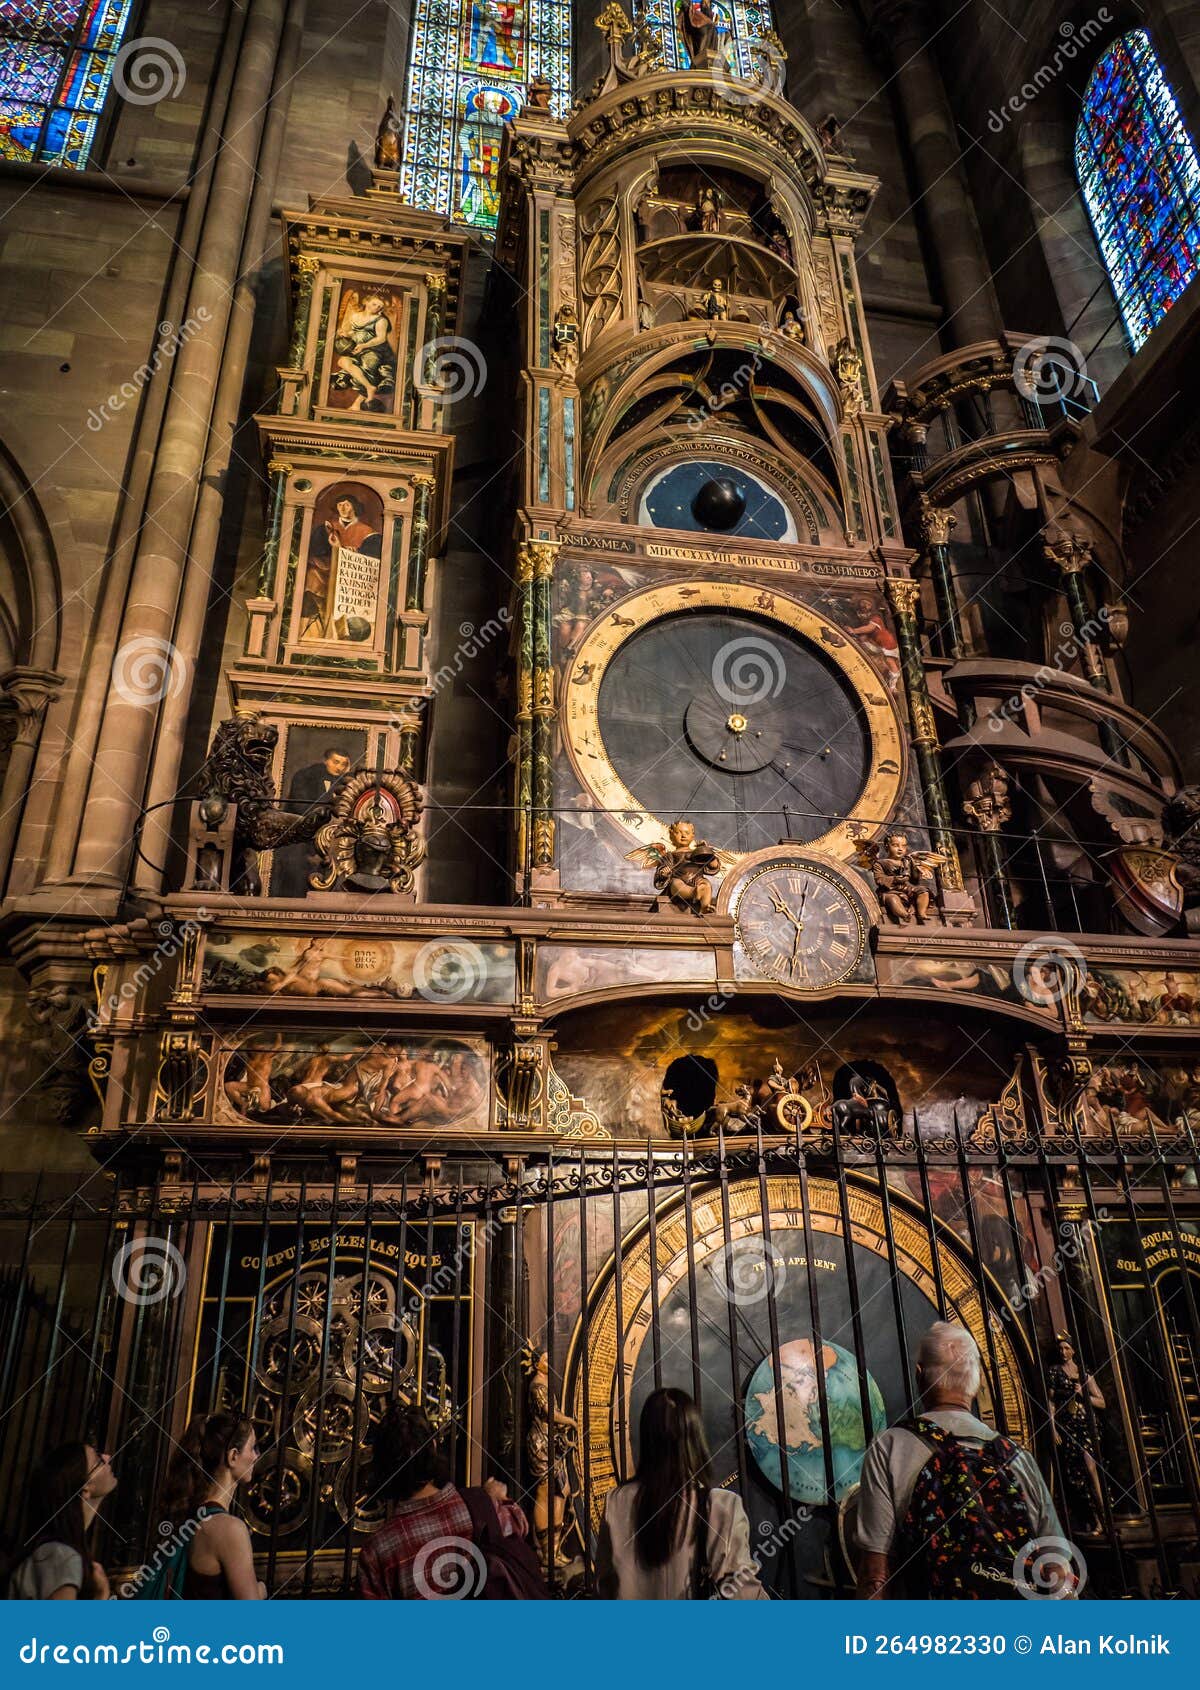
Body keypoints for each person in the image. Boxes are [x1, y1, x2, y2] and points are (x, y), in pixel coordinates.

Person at [855, 1322, 1064, 1599]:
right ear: (976, 1384)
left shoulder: (889, 1446)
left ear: (919, 1375)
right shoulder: (1018, 1457)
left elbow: (875, 1574)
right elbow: (1057, 1568)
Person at [596, 1388, 764, 1599]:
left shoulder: (616, 1502)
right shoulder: (721, 1507)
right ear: (695, 1437)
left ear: (646, 1437)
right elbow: (744, 1596)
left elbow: (604, 1589)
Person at [357, 1403, 531, 1599]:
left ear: (382, 1467)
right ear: (433, 1447)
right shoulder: (478, 1508)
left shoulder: (377, 1551)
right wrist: (497, 1498)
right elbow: (520, 1523)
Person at [161, 1412, 264, 1598]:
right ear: (233, 1456)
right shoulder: (229, 1529)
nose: (257, 1456)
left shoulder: (189, 1513)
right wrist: (261, 1590)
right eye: (253, 1448)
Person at [8, 1443, 116, 1598]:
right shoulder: (60, 1555)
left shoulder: (56, 1553)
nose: (107, 1457)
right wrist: (101, 1596)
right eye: (98, 1460)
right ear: (85, 1488)